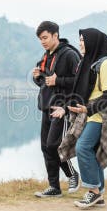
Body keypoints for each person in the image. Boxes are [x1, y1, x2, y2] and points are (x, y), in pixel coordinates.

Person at [51, 28, 107, 209]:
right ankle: (99, 194)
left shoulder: (106, 64)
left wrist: (88, 108)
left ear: (93, 42)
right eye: (79, 40)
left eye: (83, 40)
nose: (80, 43)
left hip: (100, 114)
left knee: (83, 147)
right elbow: (79, 91)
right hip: (87, 113)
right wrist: (67, 108)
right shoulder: (88, 63)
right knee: (92, 151)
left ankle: (93, 192)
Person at [32, 21, 81, 198]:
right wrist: (37, 77)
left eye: (45, 37)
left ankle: (72, 174)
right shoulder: (46, 56)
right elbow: (46, 82)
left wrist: (58, 81)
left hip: (62, 107)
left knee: (54, 145)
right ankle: (54, 187)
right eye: (40, 39)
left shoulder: (69, 55)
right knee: (45, 147)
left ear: (55, 35)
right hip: (47, 106)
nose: (42, 41)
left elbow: (80, 81)